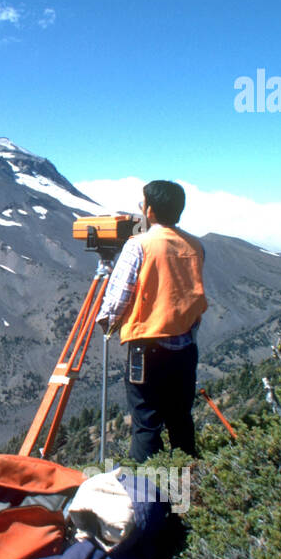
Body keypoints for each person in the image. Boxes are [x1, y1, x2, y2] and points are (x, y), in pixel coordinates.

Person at [95, 180, 207, 462]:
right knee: (181, 422)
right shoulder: (195, 246)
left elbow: (118, 297)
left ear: (150, 210)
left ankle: (146, 501)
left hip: (147, 350)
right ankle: (186, 496)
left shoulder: (139, 245)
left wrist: (107, 322)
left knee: (146, 424)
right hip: (185, 348)